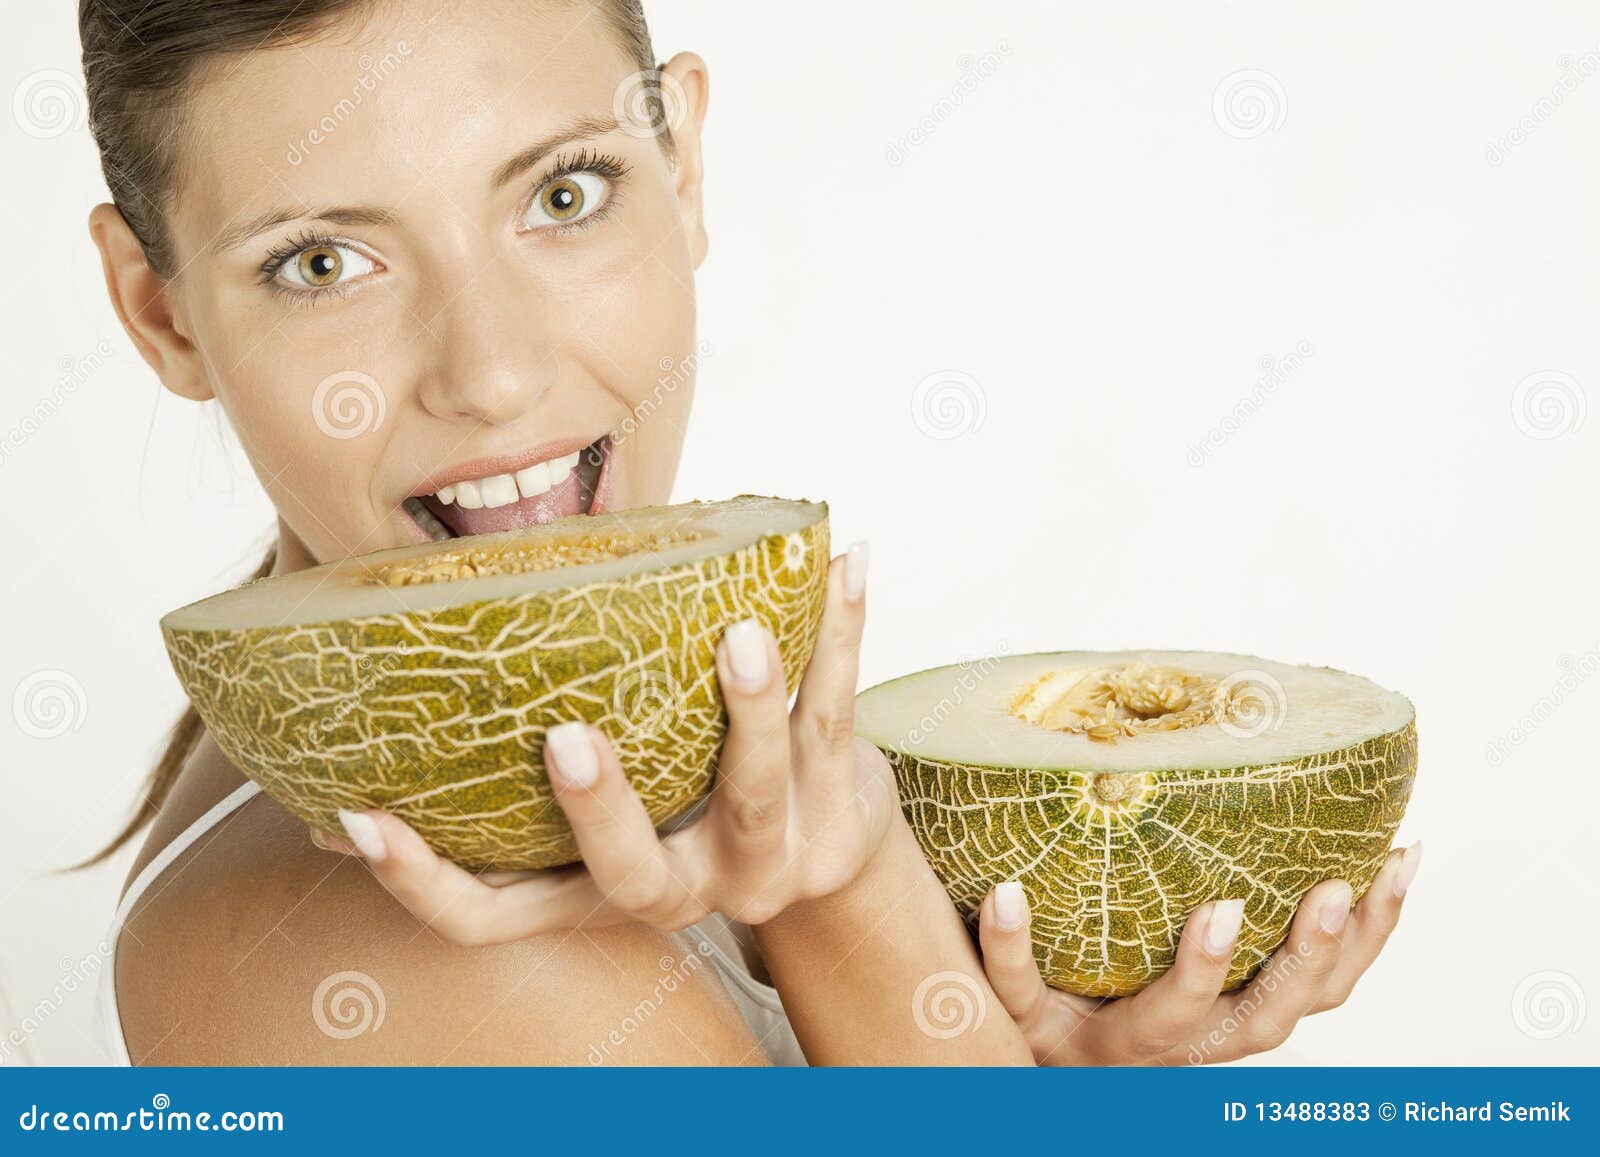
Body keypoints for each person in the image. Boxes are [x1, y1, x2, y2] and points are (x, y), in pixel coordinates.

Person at [82, 0, 1419, 1065]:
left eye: (562, 194)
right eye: (321, 262)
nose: (490, 372)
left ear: (683, 162)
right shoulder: (389, 958)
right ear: (160, 311)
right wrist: (846, 886)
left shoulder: (658, 757)